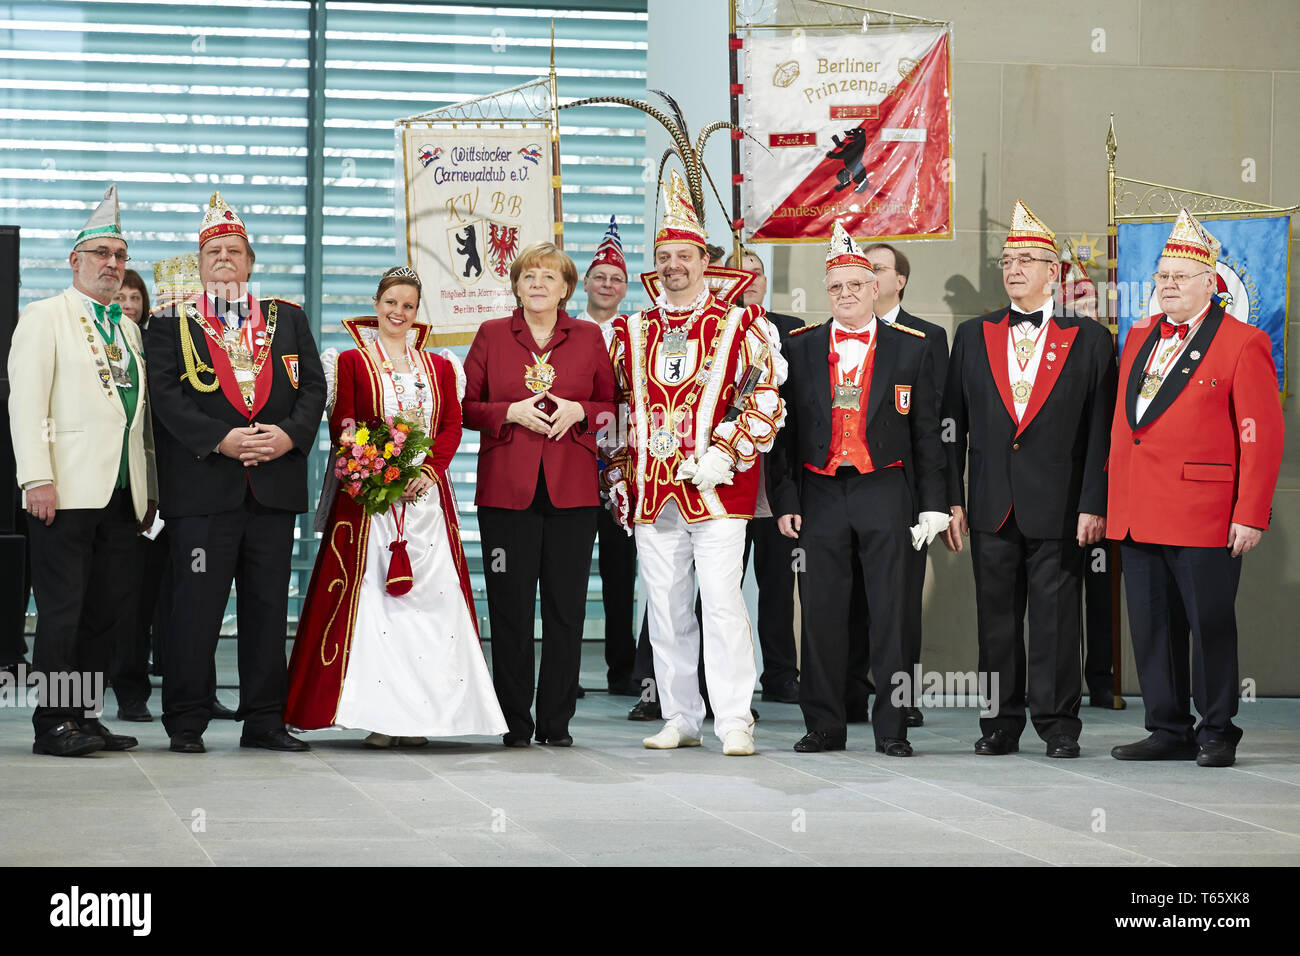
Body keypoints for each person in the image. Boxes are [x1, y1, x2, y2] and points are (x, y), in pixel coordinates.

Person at [284, 267, 506, 745]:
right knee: (373, 607)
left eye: (408, 305)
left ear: (416, 312)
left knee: (429, 607)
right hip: (370, 503)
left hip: (426, 502)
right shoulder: (349, 362)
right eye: (391, 303)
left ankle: (425, 718)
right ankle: (381, 719)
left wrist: (427, 472)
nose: (398, 313)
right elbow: (345, 426)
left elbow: (449, 424)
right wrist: (376, 472)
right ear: (376, 304)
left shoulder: (441, 366)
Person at [605, 169, 785, 756]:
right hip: (651, 492)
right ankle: (681, 714)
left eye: (685, 254)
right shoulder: (630, 331)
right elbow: (614, 410)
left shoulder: (741, 325)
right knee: (665, 607)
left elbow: (763, 400)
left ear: (704, 261)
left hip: (718, 492)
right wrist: (617, 476)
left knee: (724, 602)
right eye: (665, 255)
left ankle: (734, 718)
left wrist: (722, 458)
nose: (675, 264)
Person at [146, 191, 326, 754]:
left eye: (234, 251)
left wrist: (289, 436)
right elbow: (167, 396)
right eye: (213, 251)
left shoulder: (287, 319)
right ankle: (186, 720)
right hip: (204, 488)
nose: (224, 258)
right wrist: (220, 440)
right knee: (196, 608)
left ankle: (264, 720)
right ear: (199, 265)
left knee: (269, 609)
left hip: (272, 488)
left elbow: (314, 388)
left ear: (250, 263)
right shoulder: (170, 322)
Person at [1107, 210, 1283, 768]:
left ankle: (1216, 729)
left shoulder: (1242, 342)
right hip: (1138, 508)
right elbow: (1126, 426)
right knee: (1152, 626)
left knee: (1208, 626)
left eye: (1181, 276)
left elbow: (1261, 434)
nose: (1169, 286)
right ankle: (1166, 727)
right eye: (1162, 277)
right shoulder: (1137, 337)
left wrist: (1250, 512)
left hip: (1205, 511)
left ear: (1212, 282)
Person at [940, 200, 1116, 759]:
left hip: (1061, 506)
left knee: (1058, 623)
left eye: (1027, 259)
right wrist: (951, 499)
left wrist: (1094, 503)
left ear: (1054, 272)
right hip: (990, 503)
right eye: (1007, 259)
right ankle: (999, 724)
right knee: (995, 624)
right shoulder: (971, 335)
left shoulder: (1090, 340)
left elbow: (1100, 436)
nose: (1014, 268)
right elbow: (951, 426)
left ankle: (1059, 725)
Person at [770, 224, 947, 756]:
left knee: (892, 613)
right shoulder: (799, 349)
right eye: (836, 288)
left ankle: (892, 728)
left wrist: (935, 504)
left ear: (877, 289)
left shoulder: (911, 349)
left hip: (886, 489)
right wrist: (785, 501)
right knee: (821, 611)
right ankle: (824, 724)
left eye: (855, 285)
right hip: (821, 493)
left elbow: (927, 434)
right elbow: (783, 433)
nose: (846, 295)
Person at [8, 184, 156, 756]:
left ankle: (85, 718)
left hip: (121, 494)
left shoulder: (128, 329)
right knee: (63, 613)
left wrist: (148, 490)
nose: (113, 265)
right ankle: (52, 724)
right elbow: (26, 405)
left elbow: (134, 420)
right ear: (76, 261)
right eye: (101, 255)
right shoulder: (44, 318)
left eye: (120, 257)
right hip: (64, 489)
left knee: (104, 615)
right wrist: (34, 478)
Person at [463, 241, 615, 748]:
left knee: (566, 609)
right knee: (509, 608)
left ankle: (556, 721)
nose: (538, 284)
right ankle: (513, 720)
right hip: (507, 492)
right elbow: (467, 407)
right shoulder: (490, 335)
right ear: (517, 285)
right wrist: (508, 412)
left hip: (572, 492)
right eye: (530, 276)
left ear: (566, 288)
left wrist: (583, 412)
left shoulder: (590, 336)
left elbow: (612, 404)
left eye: (549, 277)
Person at [848, 241, 949, 728]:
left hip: (902, 492)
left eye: (877, 269)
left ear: (898, 280)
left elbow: (936, 427)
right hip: (842, 490)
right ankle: (850, 693)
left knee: (900, 603)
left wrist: (940, 500)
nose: (867, 276)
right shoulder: (827, 338)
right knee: (846, 598)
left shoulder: (927, 337)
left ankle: (900, 699)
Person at [725, 247, 802, 706]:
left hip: (776, 484)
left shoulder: (792, 331)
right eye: (739, 273)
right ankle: (691, 679)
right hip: (723, 479)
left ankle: (780, 676)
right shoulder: (713, 329)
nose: (750, 279)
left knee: (779, 586)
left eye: (756, 272)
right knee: (714, 588)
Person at [577, 216, 640, 696]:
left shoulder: (637, 334)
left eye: (616, 278)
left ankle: (623, 670)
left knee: (622, 571)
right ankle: (566, 671)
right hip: (574, 462)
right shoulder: (566, 333)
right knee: (570, 572)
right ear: (585, 283)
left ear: (625, 287)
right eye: (600, 276)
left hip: (623, 466)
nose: (607, 284)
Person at [1059, 253, 1124, 709]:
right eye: (1071, 303)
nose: (1080, 311)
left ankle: (1101, 679)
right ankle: (1043, 685)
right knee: (1053, 597)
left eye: (1087, 303)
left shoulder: (1109, 348)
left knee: (1100, 593)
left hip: (1102, 487)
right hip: (1053, 491)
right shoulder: (1041, 351)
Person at [107, 268, 163, 722]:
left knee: (158, 597)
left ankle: (146, 689)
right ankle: (119, 692)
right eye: (121, 296)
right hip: (110, 487)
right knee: (120, 600)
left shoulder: (159, 347)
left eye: (135, 296)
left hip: (159, 491)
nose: (127, 304)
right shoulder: (101, 344)